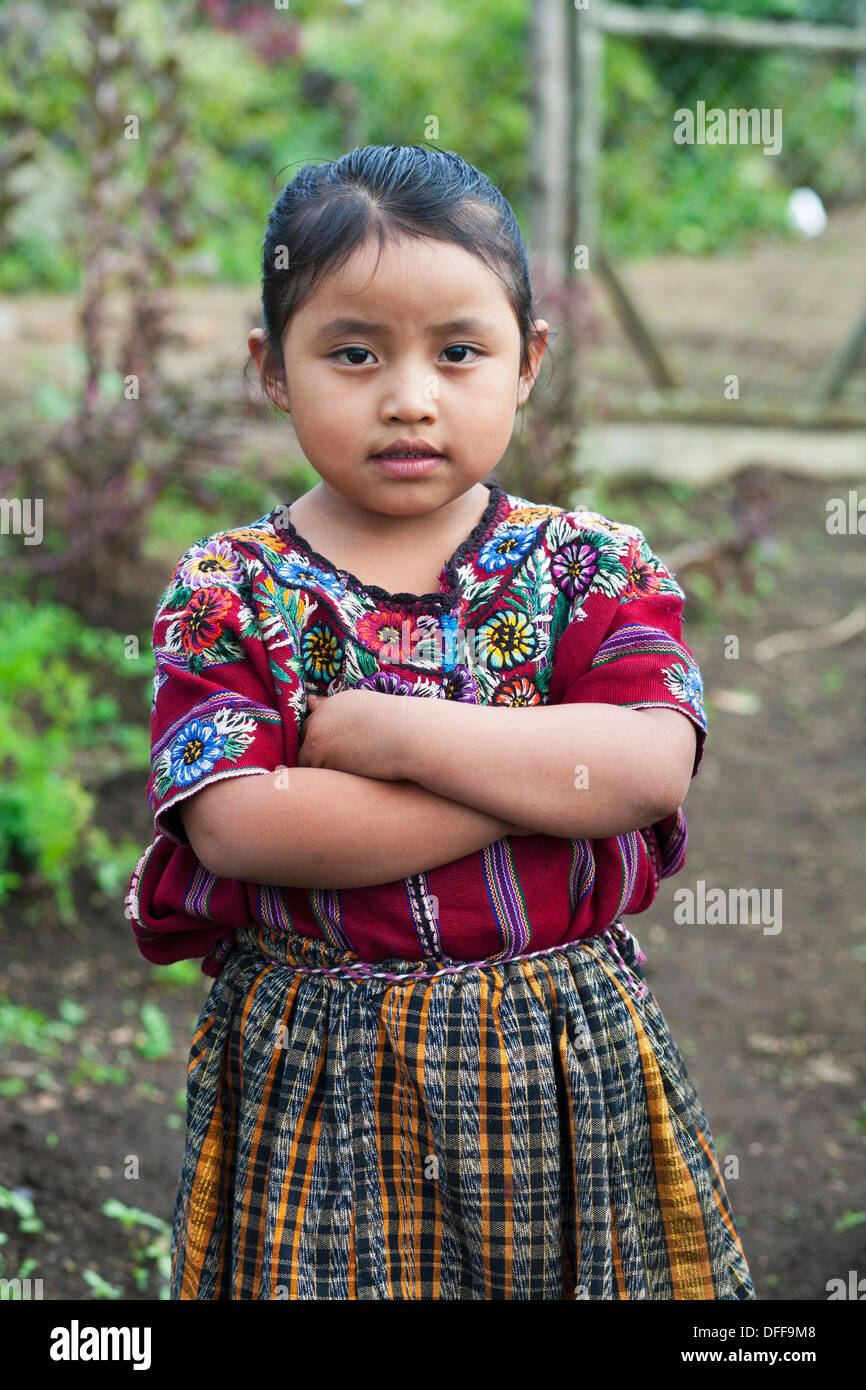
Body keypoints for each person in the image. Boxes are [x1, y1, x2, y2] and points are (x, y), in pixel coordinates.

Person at [125, 144, 756, 1301]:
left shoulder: (588, 570)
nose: (409, 395)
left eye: (458, 351)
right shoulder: (230, 590)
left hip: (559, 1048)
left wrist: (390, 737)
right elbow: (240, 827)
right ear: (270, 367)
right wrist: (528, 782)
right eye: (352, 352)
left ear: (528, 363)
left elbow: (643, 768)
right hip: (316, 1066)